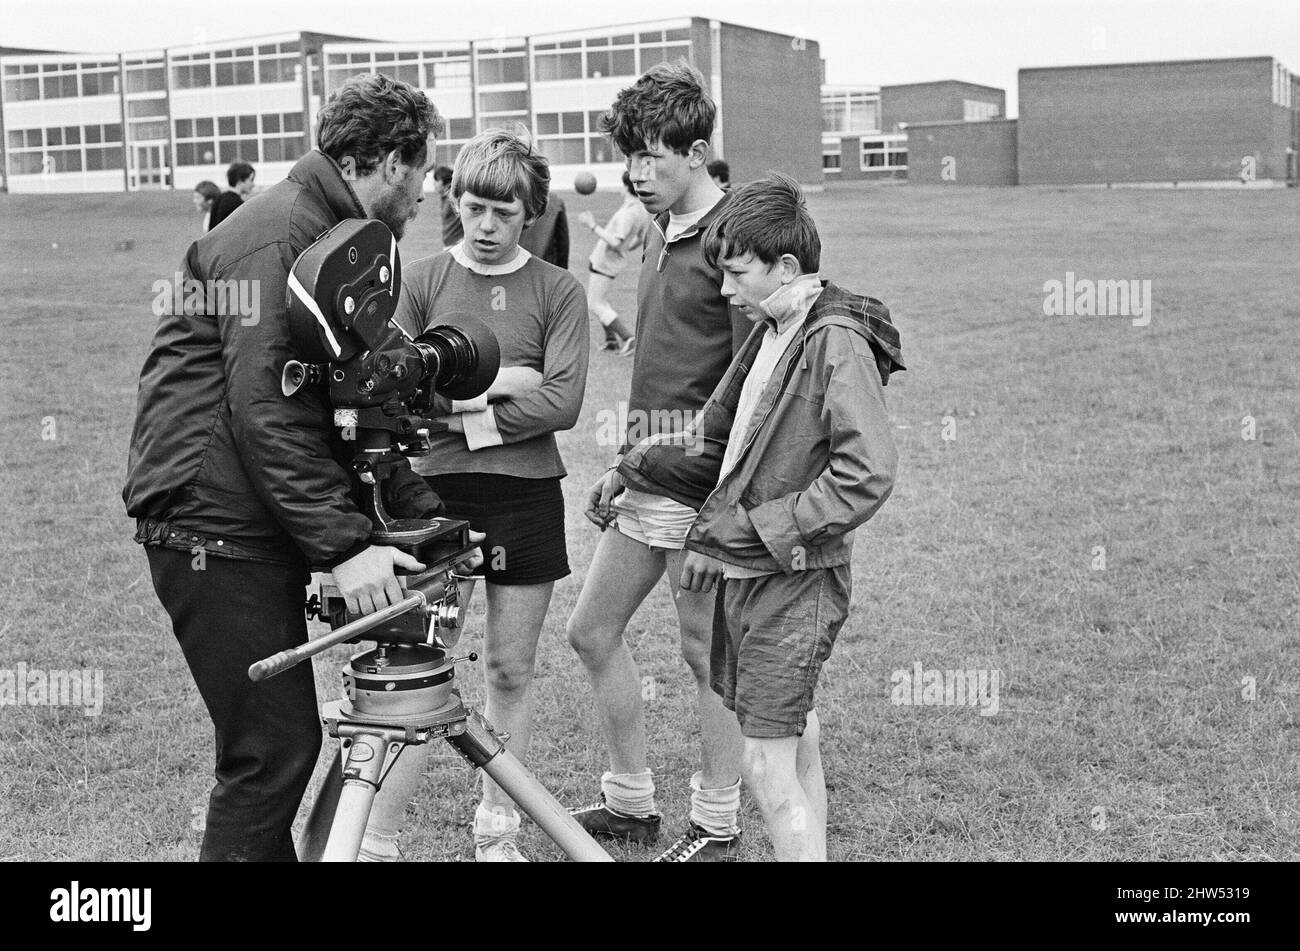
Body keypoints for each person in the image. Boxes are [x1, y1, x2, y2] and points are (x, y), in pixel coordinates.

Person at [122, 74, 470, 862]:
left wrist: (418, 508)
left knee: (279, 747)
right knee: (269, 751)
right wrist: (345, 548)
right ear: (390, 162)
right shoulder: (281, 236)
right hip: (210, 523)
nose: (426, 192)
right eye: (423, 171)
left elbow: (341, 396)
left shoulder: (325, 231)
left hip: (238, 516)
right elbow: (267, 409)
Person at [621, 172, 904, 860]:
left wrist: (757, 532)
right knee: (797, 740)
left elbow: (866, 472)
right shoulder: (772, 328)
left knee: (764, 764)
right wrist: (630, 467)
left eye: (736, 272)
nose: (724, 290)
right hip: (750, 573)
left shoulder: (834, 340)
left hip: (795, 579)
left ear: (785, 266)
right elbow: (715, 438)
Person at [364, 128, 590, 863]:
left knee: (508, 670)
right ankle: (377, 841)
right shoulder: (421, 278)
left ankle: (498, 832)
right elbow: (396, 391)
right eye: (473, 208)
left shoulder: (559, 290)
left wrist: (462, 413)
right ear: (454, 203)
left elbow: (563, 402)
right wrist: (501, 384)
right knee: (419, 668)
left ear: (532, 212)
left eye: (504, 212)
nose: (487, 226)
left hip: (526, 497)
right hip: (431, 497)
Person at [565, 62, 753, 862]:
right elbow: (661, 368)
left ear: (698, 152)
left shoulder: (736, 240)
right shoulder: (657, 228)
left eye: (651, 157)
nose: (636, 174)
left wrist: (721, 496)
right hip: (649, 475)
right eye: (629, 157)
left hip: (701, 488)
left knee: (704, 653)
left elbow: (749, 387)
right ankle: (631, 803)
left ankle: (717, 821)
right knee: (590, 630)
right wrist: (626, 465)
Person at [577, 170, 646, 355]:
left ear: (626, 188)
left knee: (595, 304)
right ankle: (611, 340)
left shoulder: (628, 213)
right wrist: (625, 249)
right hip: (609, 261)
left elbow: (616, 242)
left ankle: (628, 337)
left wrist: (592, 226)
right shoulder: (640, 209)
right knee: (600, 301)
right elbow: (640, 238)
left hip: (605, 262)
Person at [519, 190, 570, 268]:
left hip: (514, 265)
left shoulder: (510, 198)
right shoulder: (556, 202)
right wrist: (562, 271)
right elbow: (563, 245)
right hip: (544, 268)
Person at [208, 160, 256, 230]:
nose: (253, 184)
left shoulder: (220, 198)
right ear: (240, 181)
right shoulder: (236, 203)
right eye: (251, 180)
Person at [434, 164, 463, 247]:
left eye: (436, 181)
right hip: (450, 243)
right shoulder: (445, 196)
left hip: (456, 244)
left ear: (442, 181)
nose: (434, 184)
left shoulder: (453, 197)